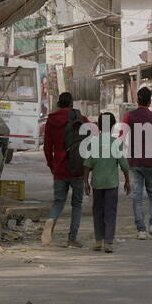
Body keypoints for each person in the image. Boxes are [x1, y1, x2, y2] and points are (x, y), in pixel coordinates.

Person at [42, 92, 89, 247]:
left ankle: (51, 220)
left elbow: (47, 147)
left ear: (58, 103)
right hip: (77, 168)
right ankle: (72, 238)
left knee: (58, 202)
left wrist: (51, 165)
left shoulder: (51, 120)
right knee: (77, 204)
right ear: (71, 104)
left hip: (60, 168)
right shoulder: (80, 119)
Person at [121, 86, 152, 239]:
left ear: (137, 100)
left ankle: (141, 230)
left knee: (137, 196)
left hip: (134, 162)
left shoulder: (128, 117)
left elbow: (121, 138)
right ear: (150, 101)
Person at [83, 112, 131, 253]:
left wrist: (86, 182)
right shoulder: (116, 143)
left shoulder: (93, 143)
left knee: (97, 212)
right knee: (110, 212)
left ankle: (98, 241)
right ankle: (108, 242)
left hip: (97, 184)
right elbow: (124, 165)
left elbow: (87, 165)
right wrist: (127, 181)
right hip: (111, 184)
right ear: (112, 126)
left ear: (98, 126)